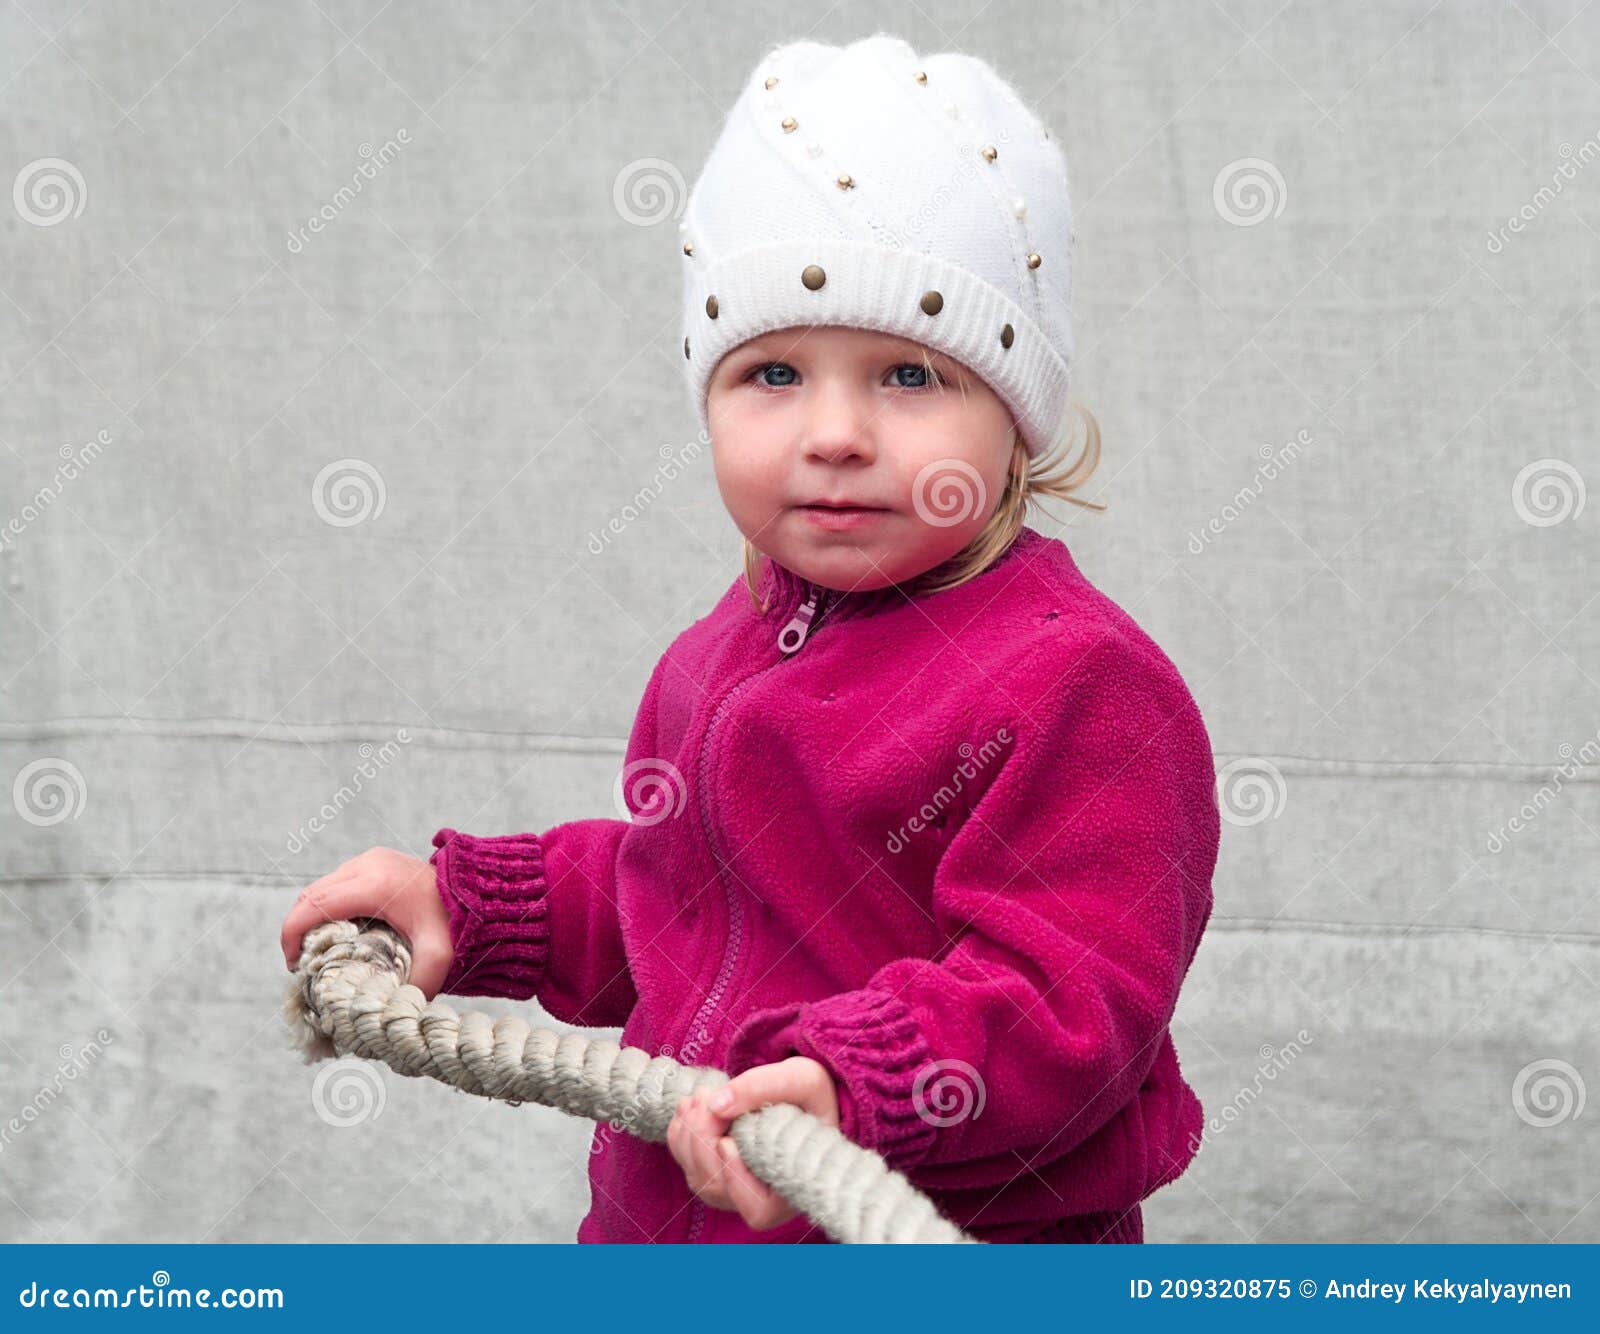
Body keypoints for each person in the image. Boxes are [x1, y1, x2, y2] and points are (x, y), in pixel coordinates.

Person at [280, 32, 1220, 1244]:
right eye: (773, 371)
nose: (834, 432)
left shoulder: (1076, 686)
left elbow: (1069, 1001)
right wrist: (483, 907)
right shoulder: (720, 653)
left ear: (1016, 414)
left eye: (909, 375)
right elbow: (692, 914)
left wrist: (861, 1080)